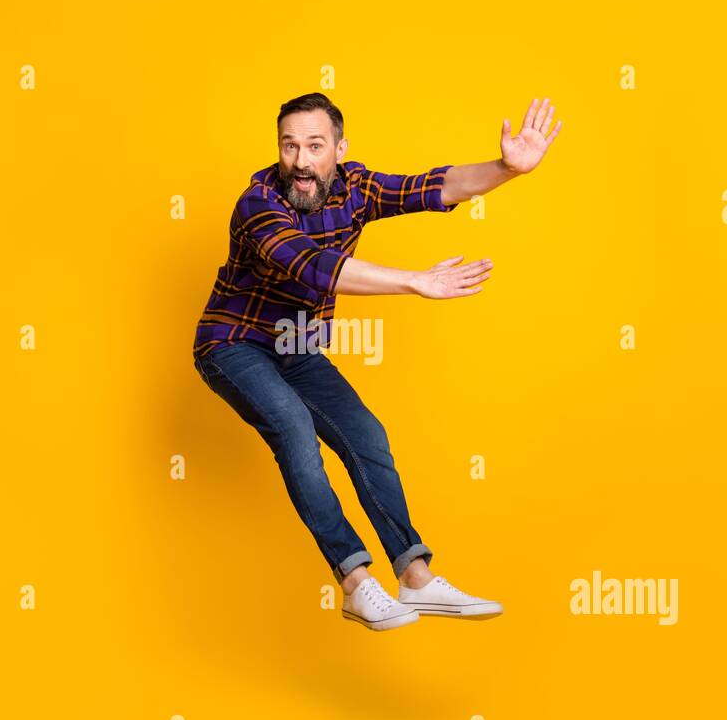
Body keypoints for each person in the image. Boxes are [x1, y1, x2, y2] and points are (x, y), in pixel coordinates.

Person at [191, 92, 563, 630]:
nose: (300, 160)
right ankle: (356, 582)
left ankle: (415, 578)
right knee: (294, 428)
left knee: (366, 435)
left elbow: (434, 187)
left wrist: (506, 168)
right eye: (289, 146)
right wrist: (414, 281)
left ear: (339, 150)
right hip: (232, 343)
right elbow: (317, 268)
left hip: (297, 346)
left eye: (314, 146)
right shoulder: (258, 204)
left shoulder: (356, 187)